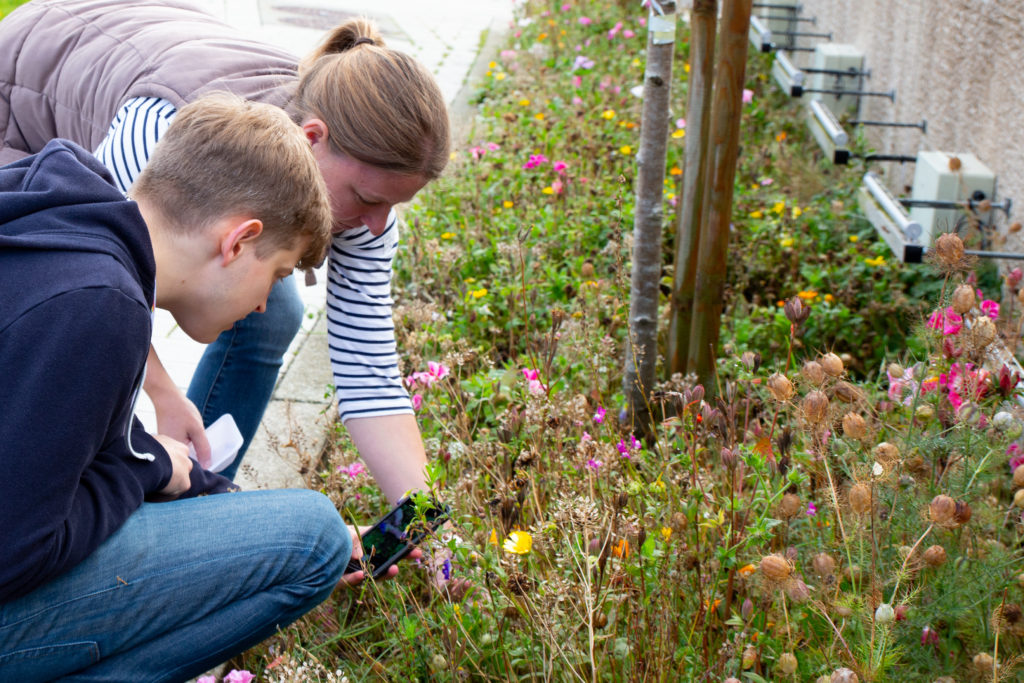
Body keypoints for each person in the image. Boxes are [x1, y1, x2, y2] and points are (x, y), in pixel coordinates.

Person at [0, 0, 449, 500]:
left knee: (269, 308)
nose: (376, 224)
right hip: (27, 77)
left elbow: (369, 369)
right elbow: (89, 276)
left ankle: (194, 491)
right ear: (312, 138)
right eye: (367, 198)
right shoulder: (166, 135)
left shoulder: (369, 209)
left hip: (156, 44)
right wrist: (161, 393)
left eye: (393, 205)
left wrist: (424, 519)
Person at [0, 93, 358, 681]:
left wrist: (198, 488)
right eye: (277, 273)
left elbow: (68, 448)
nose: (266, 301)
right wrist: (148, 470)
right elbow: (16, 550)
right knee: (313, 537)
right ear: (239, 241)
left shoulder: (61, 216)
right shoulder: (100, 307)